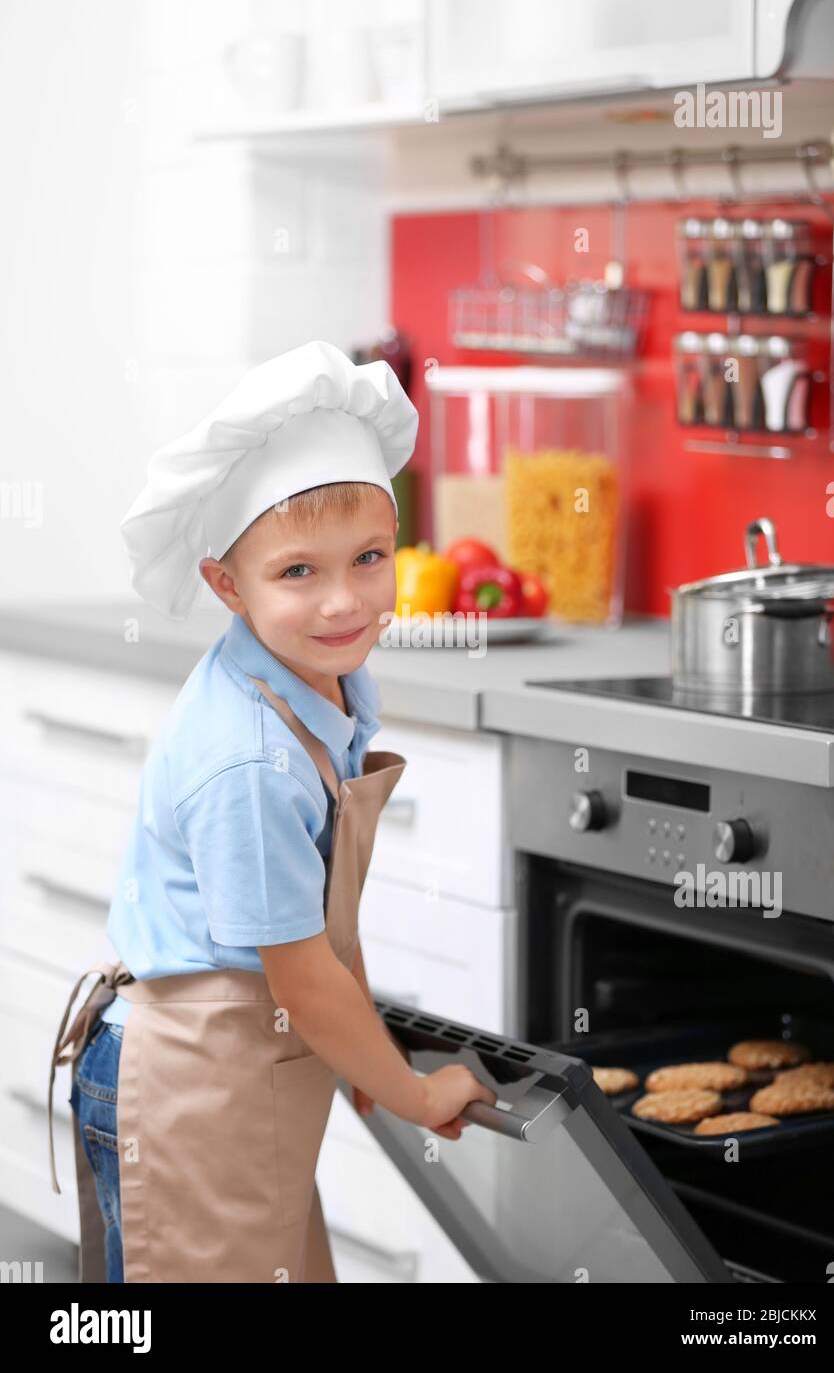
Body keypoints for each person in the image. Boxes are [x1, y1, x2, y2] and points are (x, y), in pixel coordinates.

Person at [48, 340, 497, 1284]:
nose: (344, 601)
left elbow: (322, 925)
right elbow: (300, 977)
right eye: (298, 573)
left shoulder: (321, 680)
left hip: (249, 1076)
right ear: (226, 584)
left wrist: (367, 1055)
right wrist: (409, 1090)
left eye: (370, 558)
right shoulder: (246, 758)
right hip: (192, 1085)